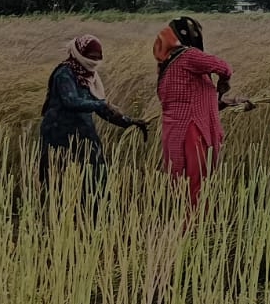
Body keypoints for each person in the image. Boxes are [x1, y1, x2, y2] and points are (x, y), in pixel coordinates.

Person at [39, 35, 148, 200]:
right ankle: (59, 218)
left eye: (98, 58)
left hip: (83, 132)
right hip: (58, 134)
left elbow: (101, 108)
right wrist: (102, 104)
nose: (94, 61)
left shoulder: (90, 77)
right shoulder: (64, 73)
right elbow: (71, 101)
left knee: (96, 177)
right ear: (79, 53)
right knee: (58, 180)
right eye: (91, 58)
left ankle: (94, 214)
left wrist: (129, 121)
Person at [153, 17, 247, 206]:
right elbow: (224, 66)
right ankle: (193, 227)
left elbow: (195, 100)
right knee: (197, 182)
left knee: (181, 183)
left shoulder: (166, 65)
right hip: (192, 130)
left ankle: (184, 223)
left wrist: (231, 102)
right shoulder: (188, 56)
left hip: (174, 132)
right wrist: (224, 80)